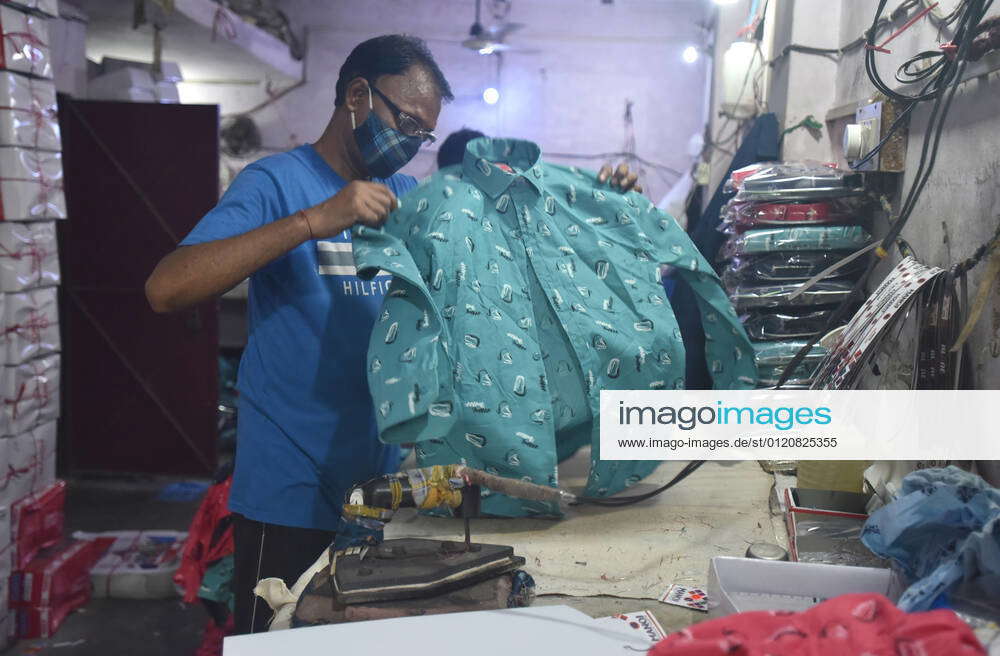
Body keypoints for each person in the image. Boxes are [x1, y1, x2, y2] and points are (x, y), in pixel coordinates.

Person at [145, 34, 643, 634]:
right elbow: (167, 288)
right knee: (278, 640)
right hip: (289, 492)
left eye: (423, 134)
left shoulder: (408, 199)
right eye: (405, 121)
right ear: (358, 95)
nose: (411, 143)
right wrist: (314, 221)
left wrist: (598, 210)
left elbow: (511, 260)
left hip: (381, 496)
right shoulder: (275, 184)